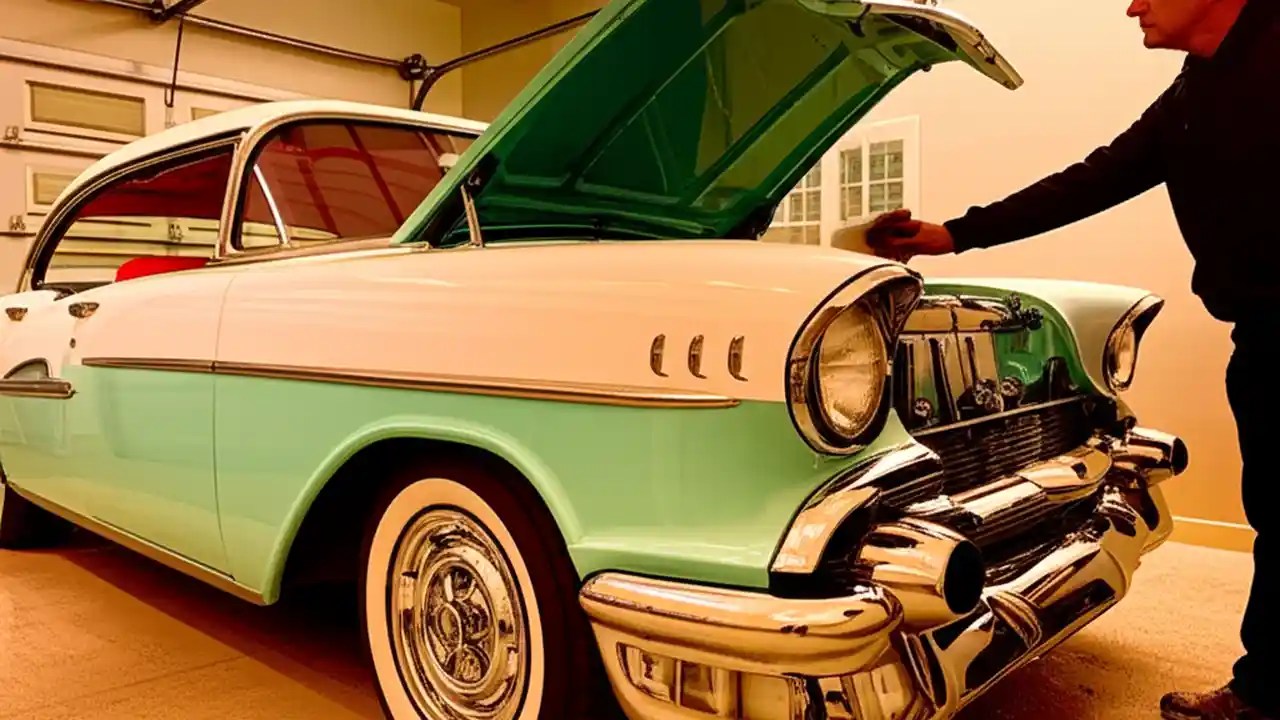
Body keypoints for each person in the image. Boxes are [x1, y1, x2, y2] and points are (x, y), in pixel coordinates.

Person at [865, 0, 1279, 718]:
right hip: (1267, 338)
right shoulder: (1192, 94)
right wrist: (952, 235)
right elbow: (1094, 178)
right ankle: (1269, 689)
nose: (1132, 5)